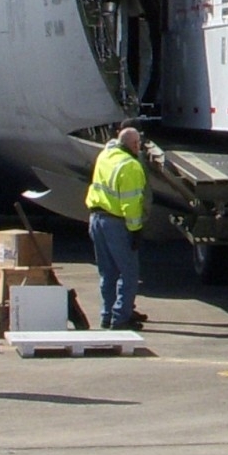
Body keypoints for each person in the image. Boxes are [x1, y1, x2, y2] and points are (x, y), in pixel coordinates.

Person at [87, 127, 149, 331]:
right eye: (138, 143)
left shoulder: (105, 155)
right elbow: (130, 204)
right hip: (116, 223)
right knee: (129, 273)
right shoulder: (130, 166)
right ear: (134, 145)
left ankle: (107, 314)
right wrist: (135, 230)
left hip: (96, 219)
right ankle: (121, 317)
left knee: (107, 272)